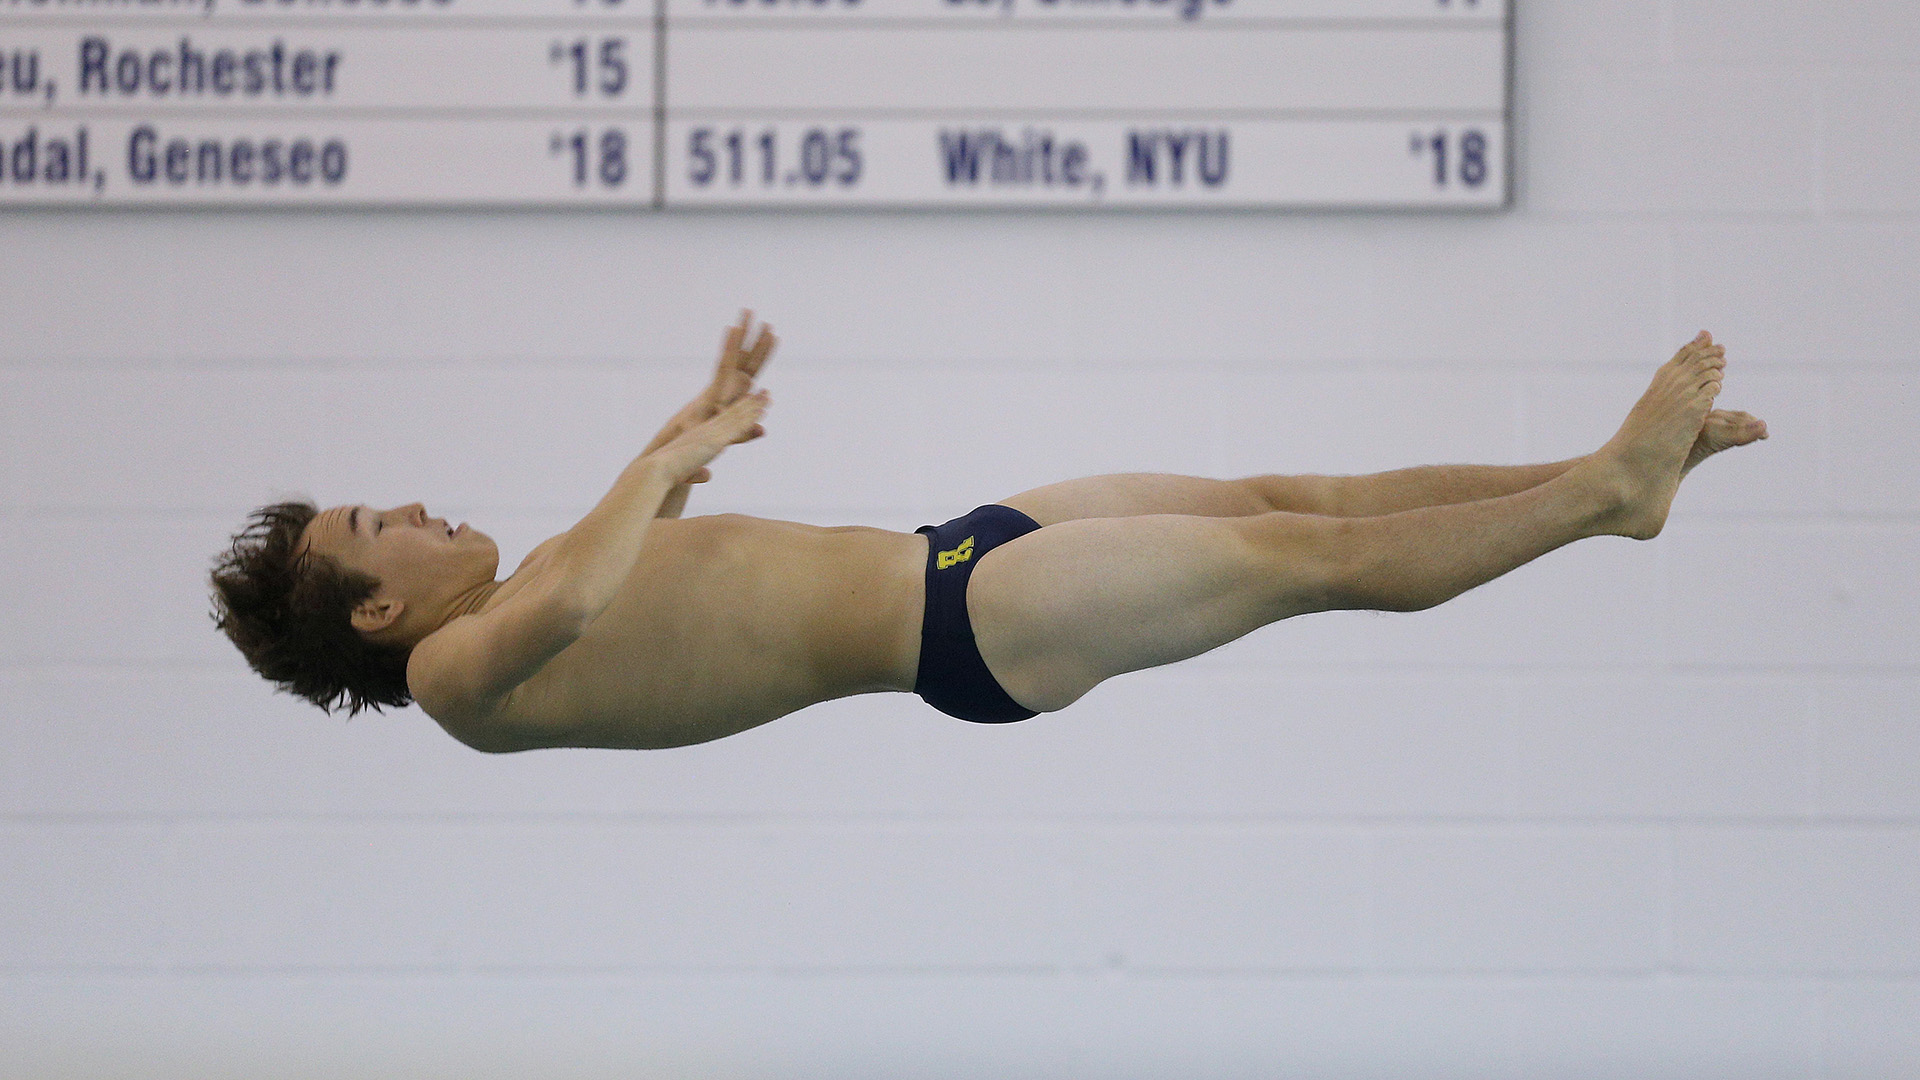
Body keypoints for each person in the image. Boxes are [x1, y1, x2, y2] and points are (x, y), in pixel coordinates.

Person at [212, 313, 1765, 752]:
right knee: (1308, 567)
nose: (413, 508)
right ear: (370, 614)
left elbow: (624, 552)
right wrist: (672, 456)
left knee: (1299, 500)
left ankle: (1614, 466)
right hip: (964, 633)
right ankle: (1606, 499)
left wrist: (681, 428)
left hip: (955, 548)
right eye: (378, 525)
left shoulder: (537, 561)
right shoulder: (456, 679)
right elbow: (582, 603)